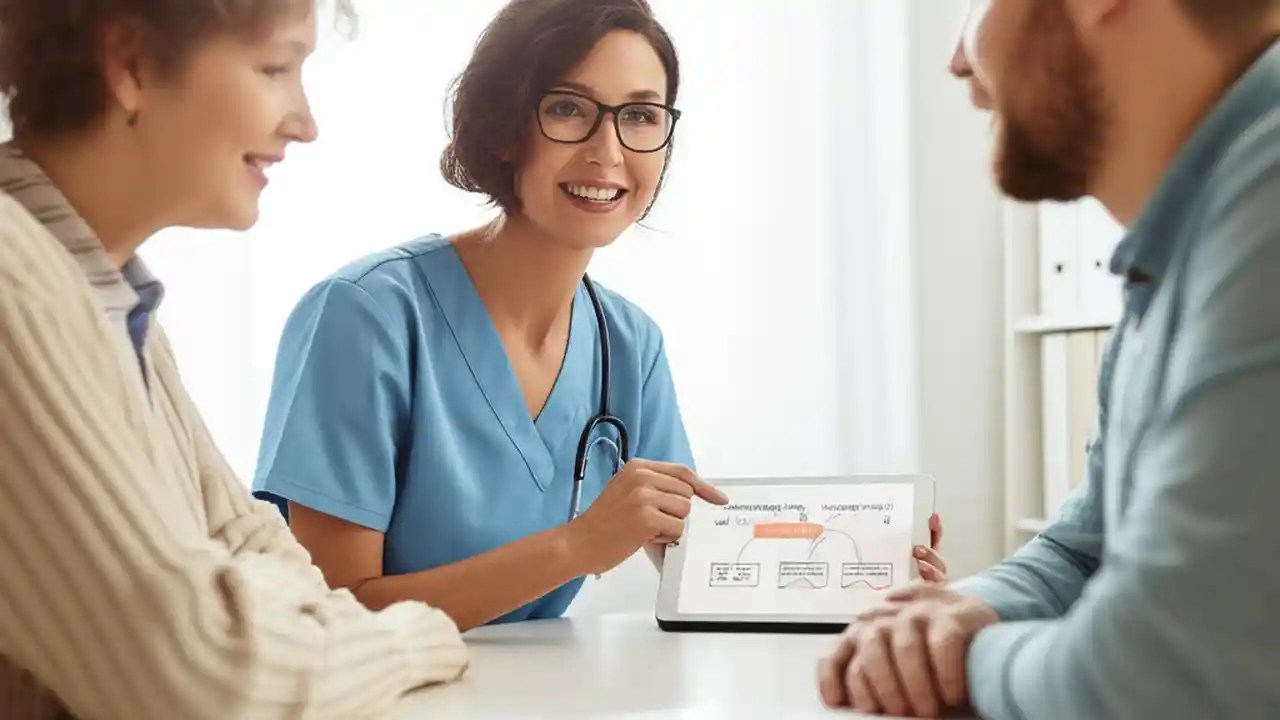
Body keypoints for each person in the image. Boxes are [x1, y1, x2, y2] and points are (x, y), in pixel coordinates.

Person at [252, 0, 952, 632]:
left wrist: (867, 578)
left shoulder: (628, 342)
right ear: (503, 127)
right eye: (568, 109)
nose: (608, 151)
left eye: (641, 116)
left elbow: (698, 557)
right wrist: (576, 546)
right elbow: (337, 612)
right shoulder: (366, 315)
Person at [0, 2, 469, 718]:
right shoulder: (15, 281)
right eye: (274, 69)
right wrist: (410, 638)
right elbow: (204, 671)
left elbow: (246, 545)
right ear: (131, 64)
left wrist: (238, 604)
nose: (304, 124)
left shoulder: (108, 298)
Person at [817, 0, 1280, 718]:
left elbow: (1160, 675)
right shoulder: (1178, 253)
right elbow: (1082, 552)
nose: (957, 61)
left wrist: (963, 661)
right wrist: (946, 618)